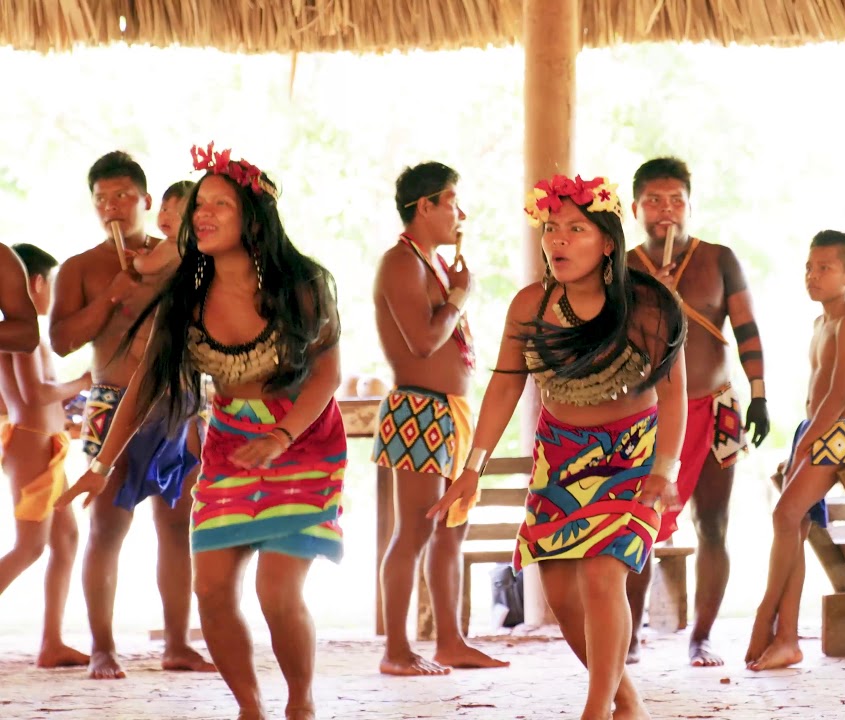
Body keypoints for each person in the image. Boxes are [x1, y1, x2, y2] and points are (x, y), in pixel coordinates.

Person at [58, 143, 345, 720]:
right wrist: (100, 465)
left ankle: (301, 704)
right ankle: (250, 708)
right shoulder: (184, 295)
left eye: (220, 204)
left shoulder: (305, 283)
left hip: (304, 440)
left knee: (277, 592)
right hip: (230, 443)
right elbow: (143, 383)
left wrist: (282, 436)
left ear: (253, 219)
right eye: (199, 206)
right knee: (211, 591)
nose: (203, 214)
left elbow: (327, 374)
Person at [428, 173, 687, 720]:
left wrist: (665, 469)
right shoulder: (530, 305)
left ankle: (596, 710)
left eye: (576, 228)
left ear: (608, 242)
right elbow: (504, 383)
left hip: (631, 457)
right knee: (562, 593)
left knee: (601, 575)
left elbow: (675, 392)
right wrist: (474, 467)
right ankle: (625, 700)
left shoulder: (650, 305)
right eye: (551, 228)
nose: (559, 240)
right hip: (559, 457)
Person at [48, 150, 210, 679]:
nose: (112, 208)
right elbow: (63, 340)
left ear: (146, 200)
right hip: (112, 402)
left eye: (122, 197)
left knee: (177, 525)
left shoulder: (183, 256)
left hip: (179, 406)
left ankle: (179, 644)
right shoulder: (80, 268)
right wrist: (111, 298)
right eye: (101, 200)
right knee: (106, 530)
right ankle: (101, 647)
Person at [623, 157, 770, 667]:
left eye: (676, 200)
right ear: (636, 206)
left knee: (714, 524)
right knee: (636, 523)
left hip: (717, 406)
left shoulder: (720, 259)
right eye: (655, 201)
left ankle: (701, 637)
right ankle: (630, 636)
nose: (667, 211)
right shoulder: (622, 267)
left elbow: (747, 329)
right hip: (647, 416)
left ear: (690, 204)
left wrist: (761, 394)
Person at [372, 161, 506, 675]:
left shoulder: (432, 263)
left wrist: (454, 290)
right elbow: (424, 342)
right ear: (423, 206)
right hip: (418, 409)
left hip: (452, 414)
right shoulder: (400, 263)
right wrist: (458, 297)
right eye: (451, 200)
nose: (460, 213)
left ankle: (450, 641)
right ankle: (396, 650)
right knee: (415, 530)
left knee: (452, 531)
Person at [745, 229, 845, 671]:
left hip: (842, 431)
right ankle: (786, 638)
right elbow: (817, 395)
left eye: (825, 268)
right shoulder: (822, 323)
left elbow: (839, 396)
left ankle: (769, 620)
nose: (813, 276)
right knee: (792, 526)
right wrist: (802, 439)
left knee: (785, 517)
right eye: (809, 267)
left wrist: (806, 447)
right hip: (817, 428)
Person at [0, 244, 91, 668]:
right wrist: (83, 381)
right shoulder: (22, 335)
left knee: (66, 538)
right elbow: (35, 393)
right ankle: (50, 642)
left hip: (43, 442)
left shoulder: (21, 333)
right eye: (51, 284)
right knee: (30, 547)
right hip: (32, 445)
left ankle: (52, 642)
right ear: (35, 283)